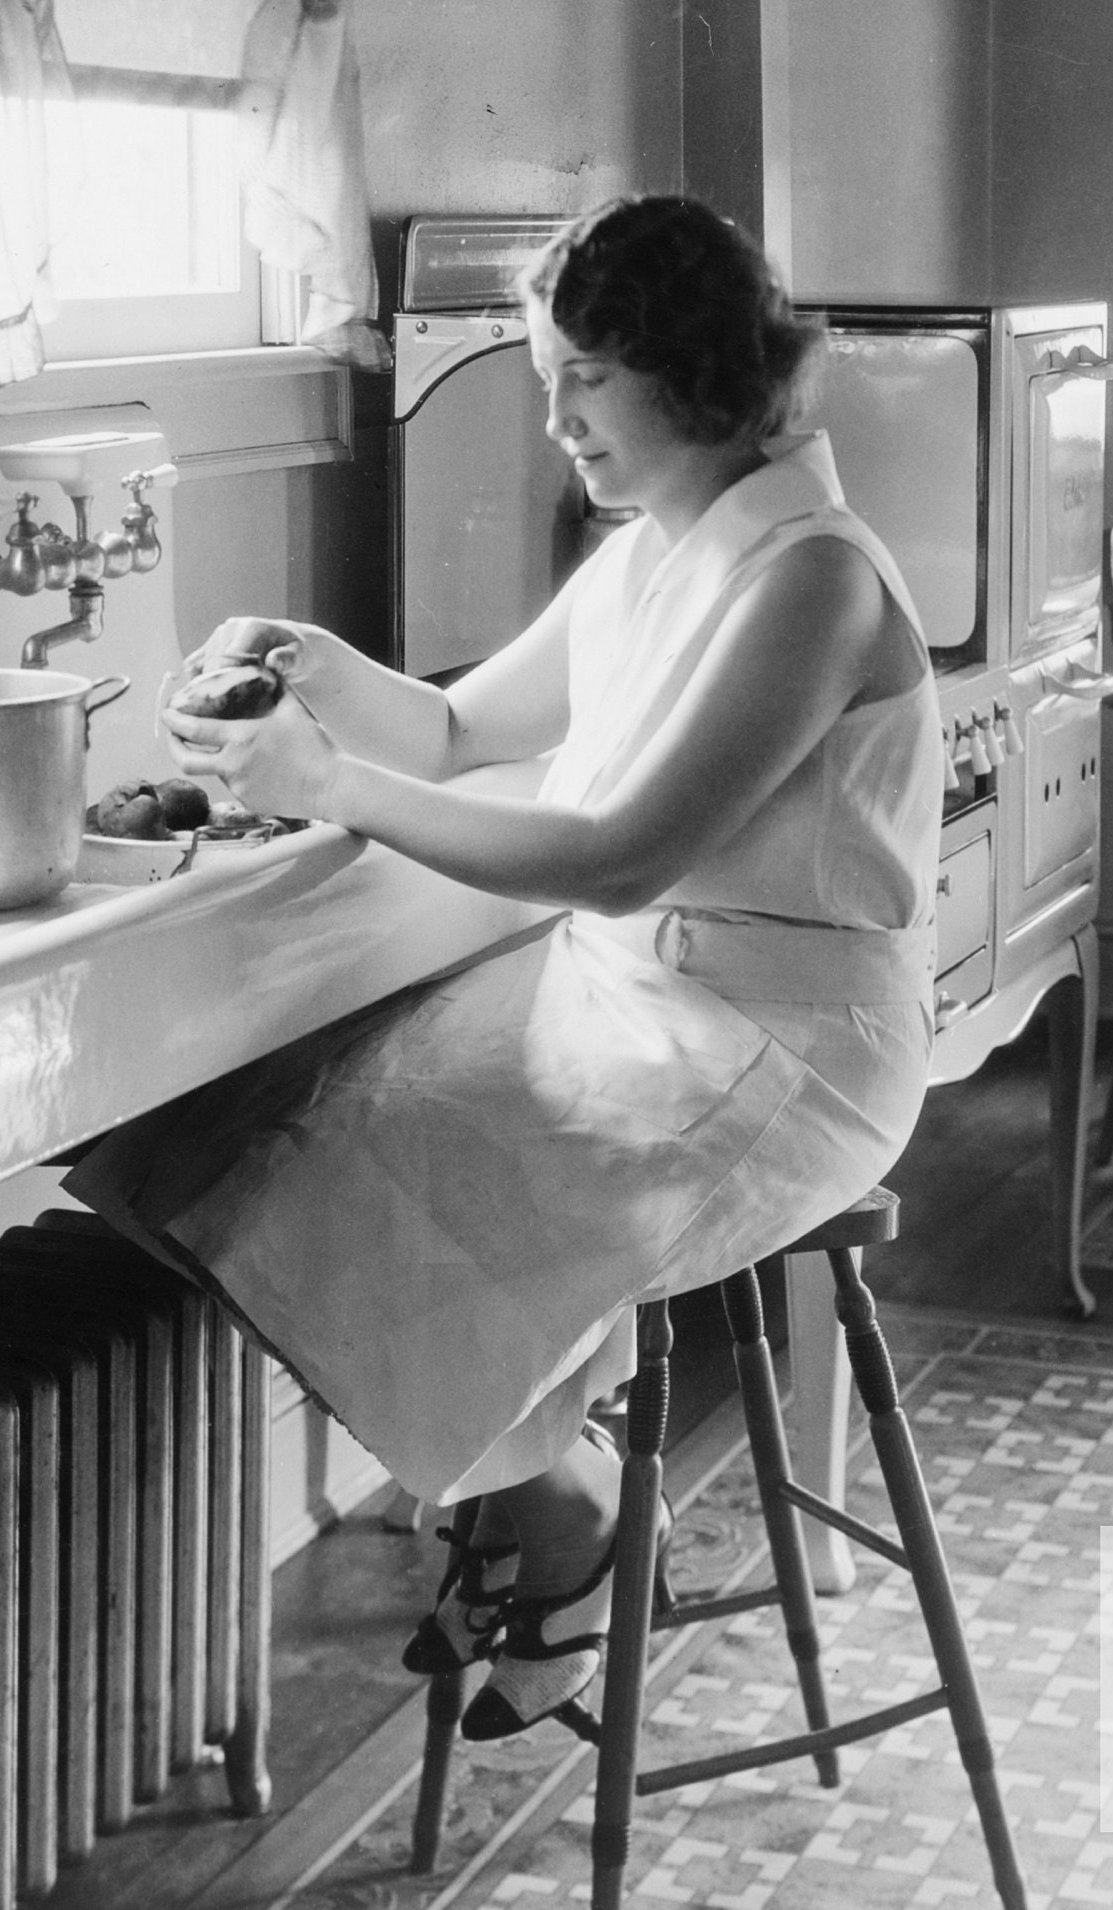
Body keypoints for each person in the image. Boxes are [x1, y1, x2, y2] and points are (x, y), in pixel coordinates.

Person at [65, 194, 939, 1738]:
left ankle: (571, 1522)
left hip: (787, 1047)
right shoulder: (661, 549)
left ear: (691, 377)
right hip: (644, 997)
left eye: (584, 381)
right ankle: (566, 1500)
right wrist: (314, 667)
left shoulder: (813, 577)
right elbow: (469, 729)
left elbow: (616, 853)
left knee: (342, 1155)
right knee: (230, 1135)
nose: (554, 418)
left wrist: (330, 786)